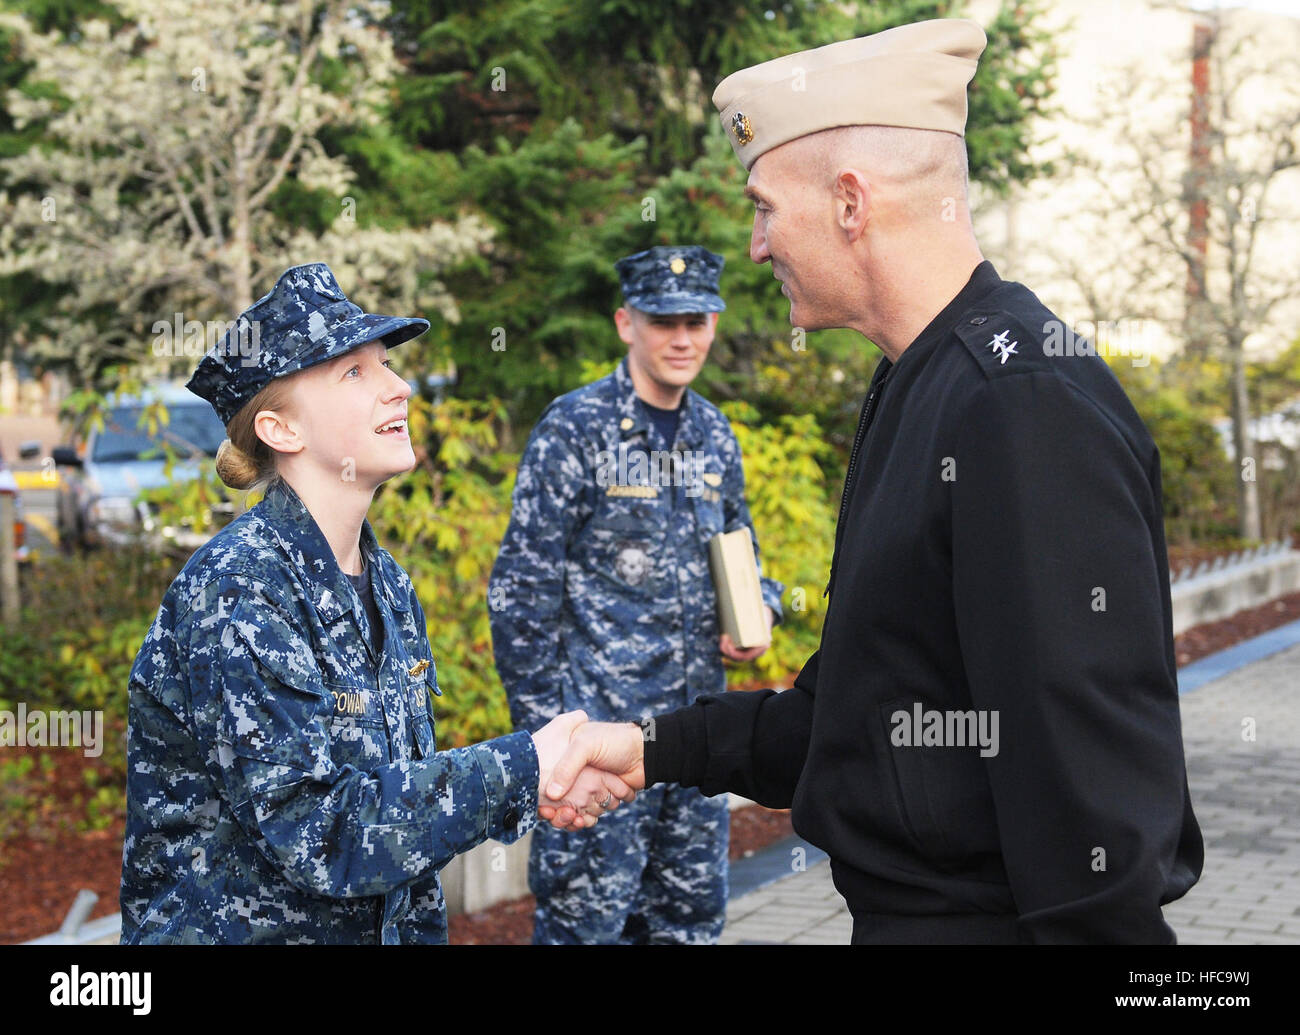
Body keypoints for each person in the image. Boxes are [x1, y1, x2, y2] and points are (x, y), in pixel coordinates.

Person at [542, 19, 1204, 944]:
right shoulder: (919, 379)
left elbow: (1091, 817)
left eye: (766, 206)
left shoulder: (1017, 404)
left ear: (851, 202)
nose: (759, 244)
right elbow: (856, 712)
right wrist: (653, 749)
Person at [119, 263, 632, 945]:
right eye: (354, 373)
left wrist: (534, 781)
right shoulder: (238, 589)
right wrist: (525, 766)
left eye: (386, 363)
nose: (401, 387)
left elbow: (396, 820)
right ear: (280, 429)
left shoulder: (385, 582)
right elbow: (321, 831)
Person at [488, 245, 784, 944]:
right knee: (585, 931)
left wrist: (760, 608)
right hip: (597, 754)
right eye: (663, 321)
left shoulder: (713, 433)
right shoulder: (576, 429)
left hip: (694, 745)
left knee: (688, 927)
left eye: (698, 320)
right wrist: (549, 743)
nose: (683, 338)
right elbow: (521, 591)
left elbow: (741, 549)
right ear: (627, 322)